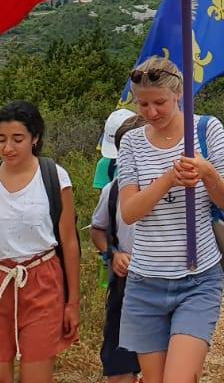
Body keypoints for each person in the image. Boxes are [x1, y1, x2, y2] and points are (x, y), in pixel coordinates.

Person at [115, 55, 224, 383]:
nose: (151, 113)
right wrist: (169, 178)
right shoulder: (131, 142)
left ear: (179, 94)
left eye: (159, 103)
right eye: (143, 104)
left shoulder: (207, 129)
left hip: (197, 278)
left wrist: (207, 171)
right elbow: (130, 211)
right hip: (145, 281)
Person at [0, 100, 81, 383]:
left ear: (35, 138)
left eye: (17, 139)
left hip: (42, 283)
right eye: (1, 139)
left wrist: (73, 303)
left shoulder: (54, 176)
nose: (8, 147)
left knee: (36, 377)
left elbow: (69, 243)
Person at [91, 114, 146, 383]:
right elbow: (98, 229)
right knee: (119, 366)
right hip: (125, 289)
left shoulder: (178, 192)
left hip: (164, 285)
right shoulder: (112, 190)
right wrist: (113, 254)